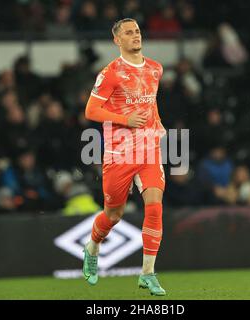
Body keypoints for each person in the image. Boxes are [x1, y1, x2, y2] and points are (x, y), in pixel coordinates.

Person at [83, 18, 167, 296]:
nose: (135, 36)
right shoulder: (110, 73)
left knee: (154, 205)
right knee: (114, 214)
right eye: (128, 33)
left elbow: (150, 100)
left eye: (138, 31)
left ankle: (148, 273)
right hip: (119, 153)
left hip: (148, 149)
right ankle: (93, 246)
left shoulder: (155, 69)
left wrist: (158, 122)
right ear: (117, 40)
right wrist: (125, 119)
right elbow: (91, 111)